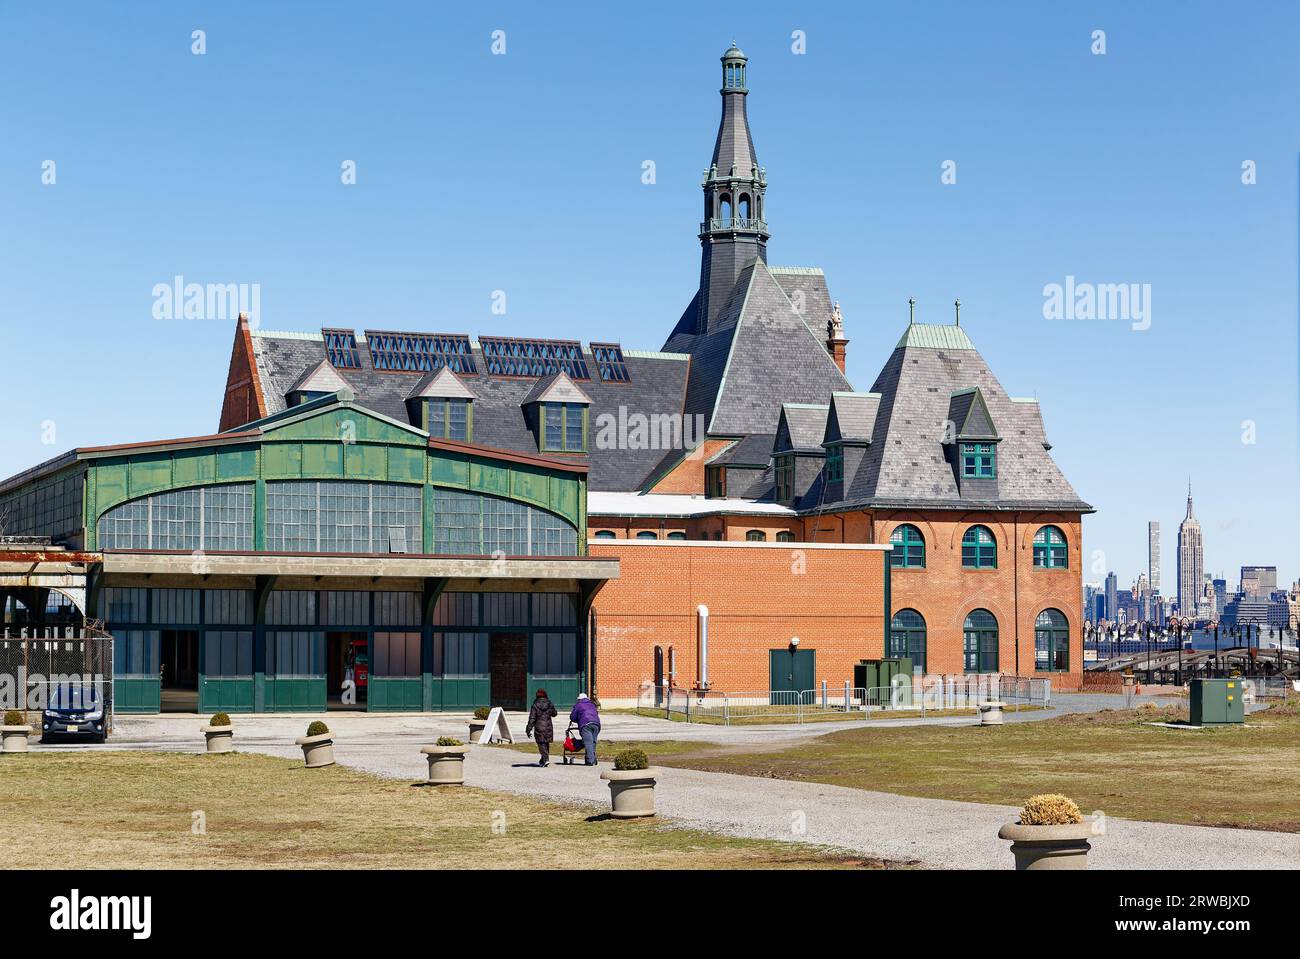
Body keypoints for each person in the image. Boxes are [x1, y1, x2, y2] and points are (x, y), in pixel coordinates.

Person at [524, 688, 557, 767]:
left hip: (539, 726)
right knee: (546, 743)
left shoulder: (535, 705)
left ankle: (546, 759)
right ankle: (543, 760)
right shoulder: (549, 703)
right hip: (548, 726)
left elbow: (532, 718)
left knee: (541, 743)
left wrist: (528, 729)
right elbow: (554, 713)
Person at [570, 692, 601, 766]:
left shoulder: (578, 705)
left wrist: (578, 719)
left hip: (586, 725)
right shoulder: (592, 704)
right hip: (596, 724)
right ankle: (591, 758)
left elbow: (573, 717)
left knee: (588, 743)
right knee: (593, 742)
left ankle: (590, 760)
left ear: (579, 699)